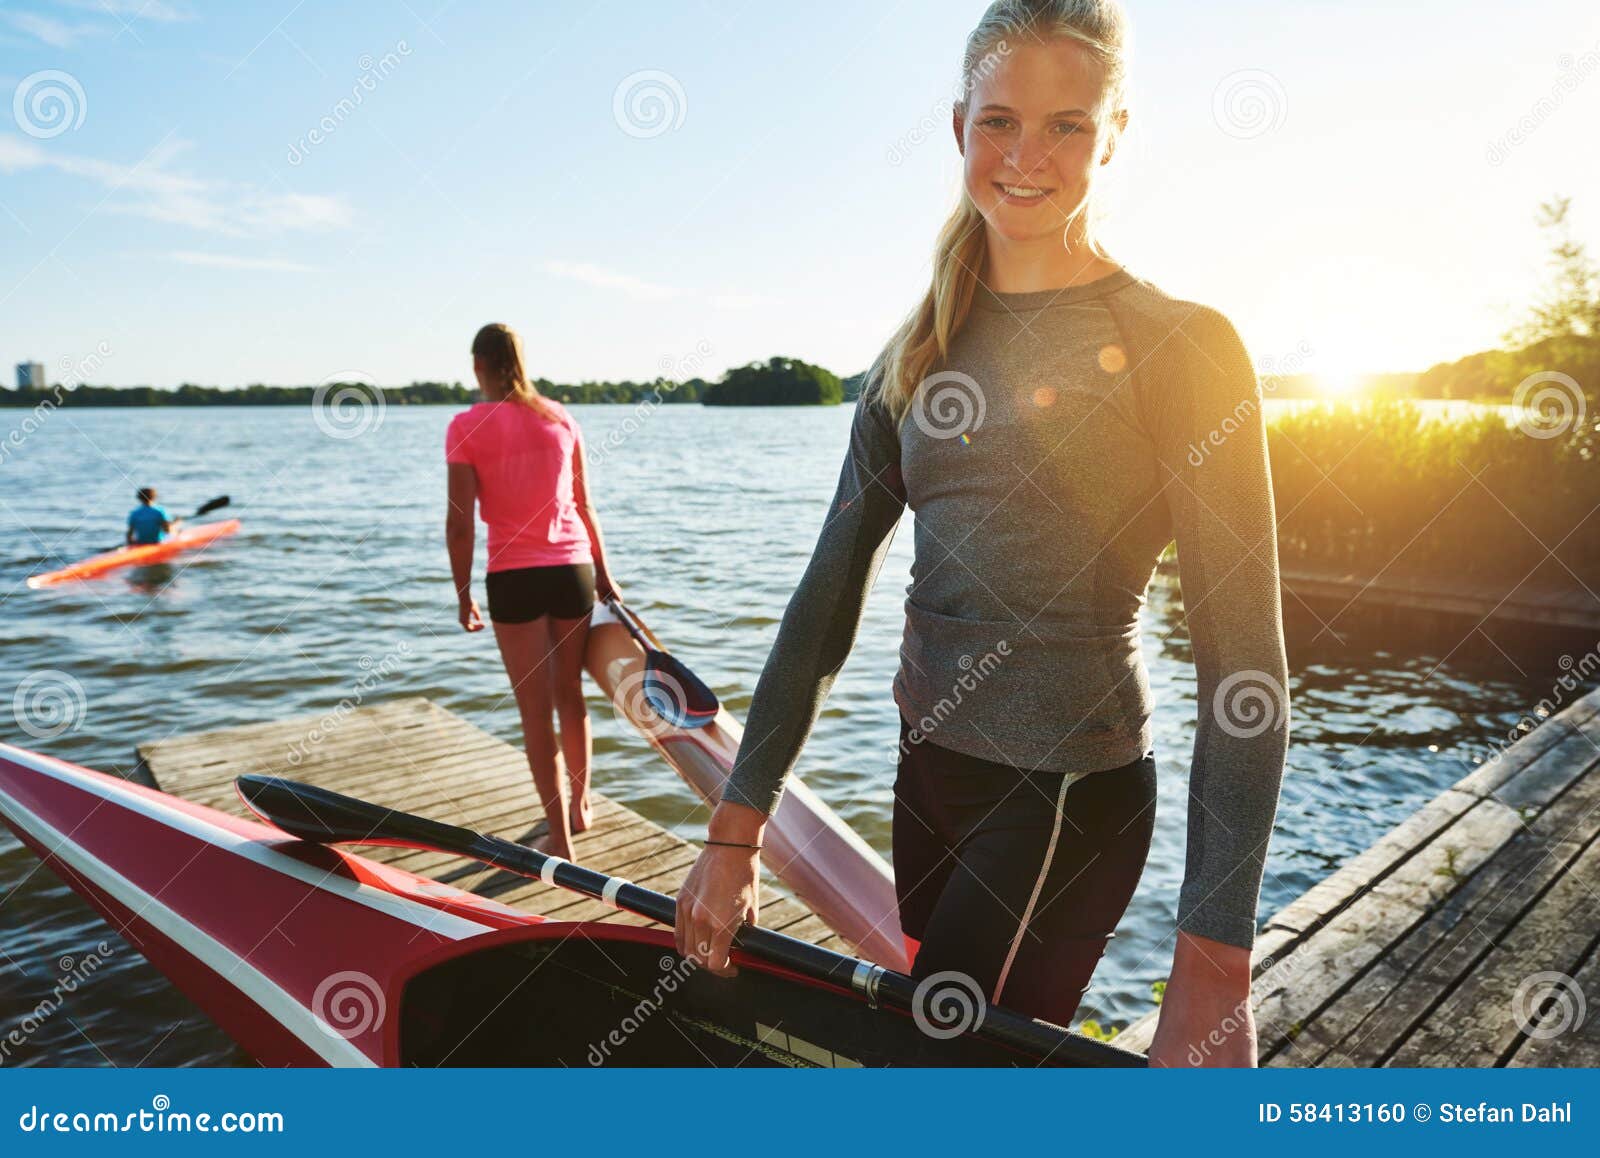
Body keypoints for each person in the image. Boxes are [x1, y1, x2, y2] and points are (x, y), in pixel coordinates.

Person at [676, 0, 1289, 1068]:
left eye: (1066, 125)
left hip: (1063, 793)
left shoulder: (1183, 347)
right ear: (957, 123)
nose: (1025, 155)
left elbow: (1245, 664)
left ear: (1116, 135)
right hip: (928, 771)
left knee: (930, 1069)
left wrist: (1213, 968)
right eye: (999, 119)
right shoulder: (912, 351)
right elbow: (826, 598)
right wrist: (736, 828)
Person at [446, 323, 621, 860]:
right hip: (572, 570)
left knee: (534, 708)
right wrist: (605, 575)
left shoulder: (465, 426)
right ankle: (581, 806)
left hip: (514, 576)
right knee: (571, 692)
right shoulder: (559, 417)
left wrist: (462, 593)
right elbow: (585, 505)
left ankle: (560, 838)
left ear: (478, 365)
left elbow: (460, 522)